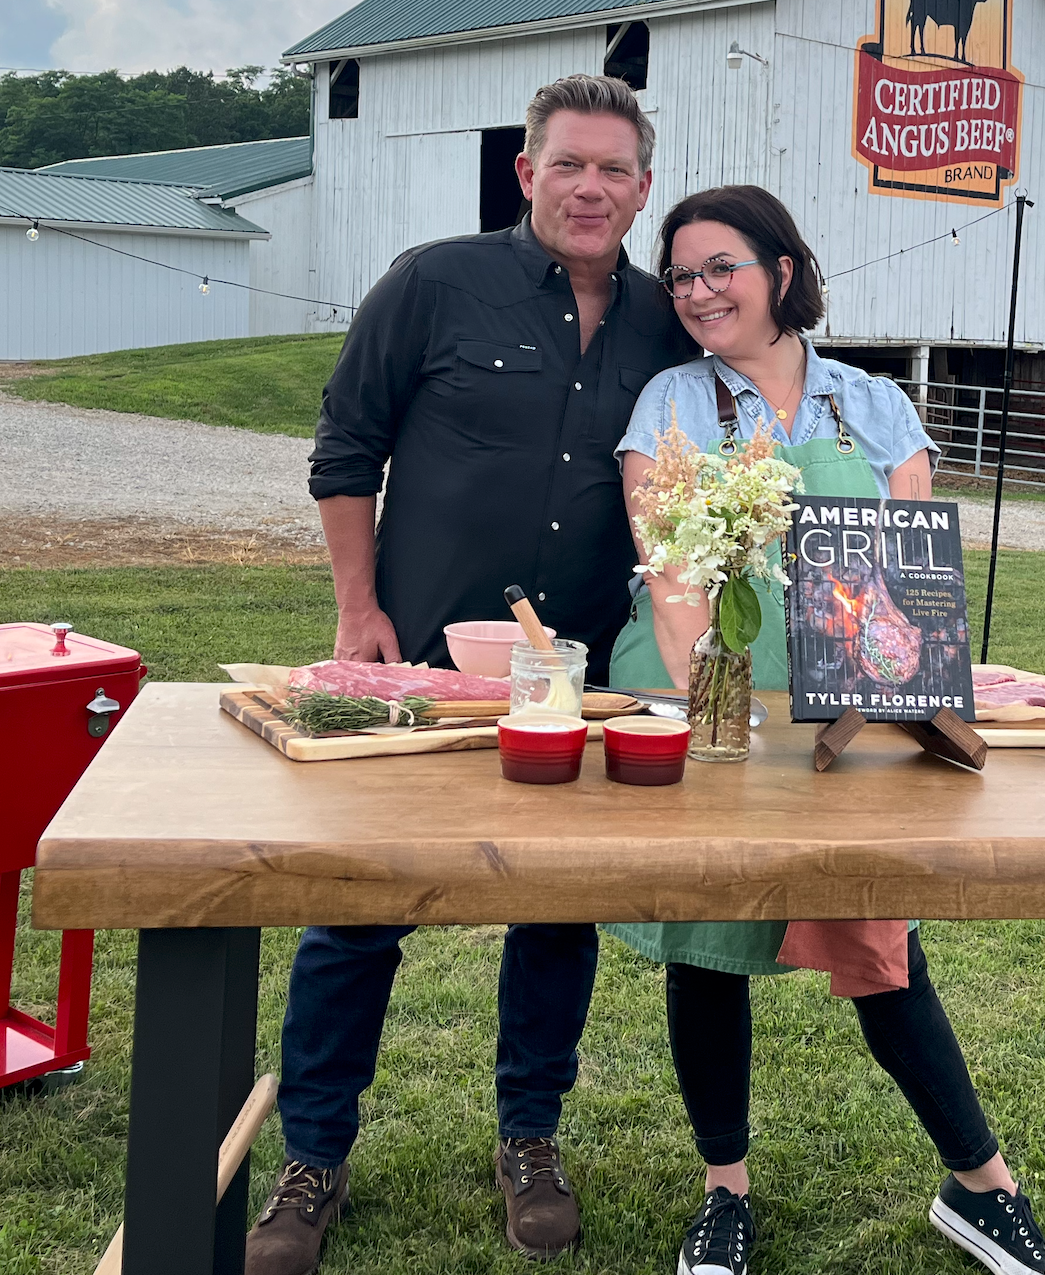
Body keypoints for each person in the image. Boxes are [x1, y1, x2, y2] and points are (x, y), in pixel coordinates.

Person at [248, 74, 699, 1274]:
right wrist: (358, 609)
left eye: (614, 169)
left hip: (582, 671)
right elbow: (345, 448)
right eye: (569, 165)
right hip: (421, 663)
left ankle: (530, 1139)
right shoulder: (434, 281)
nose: (590, 187)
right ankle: (312, 1158)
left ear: (641, 188)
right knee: (358, 910)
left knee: (555, 914)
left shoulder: (665, 322)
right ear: (526, 173)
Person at [607, 185, 1045, 1275]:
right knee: (709, 945)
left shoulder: (872, 406)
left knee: (880, 941)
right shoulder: (670, 403)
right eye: (678, 275)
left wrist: (916, 692)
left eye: (719, 266)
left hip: (847, 706)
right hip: (712, 693)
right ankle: (723, 1192)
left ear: (780, 267)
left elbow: (908, 573)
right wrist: (714, 714)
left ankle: (981, 1189)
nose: (695, 292)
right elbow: (670, 571)